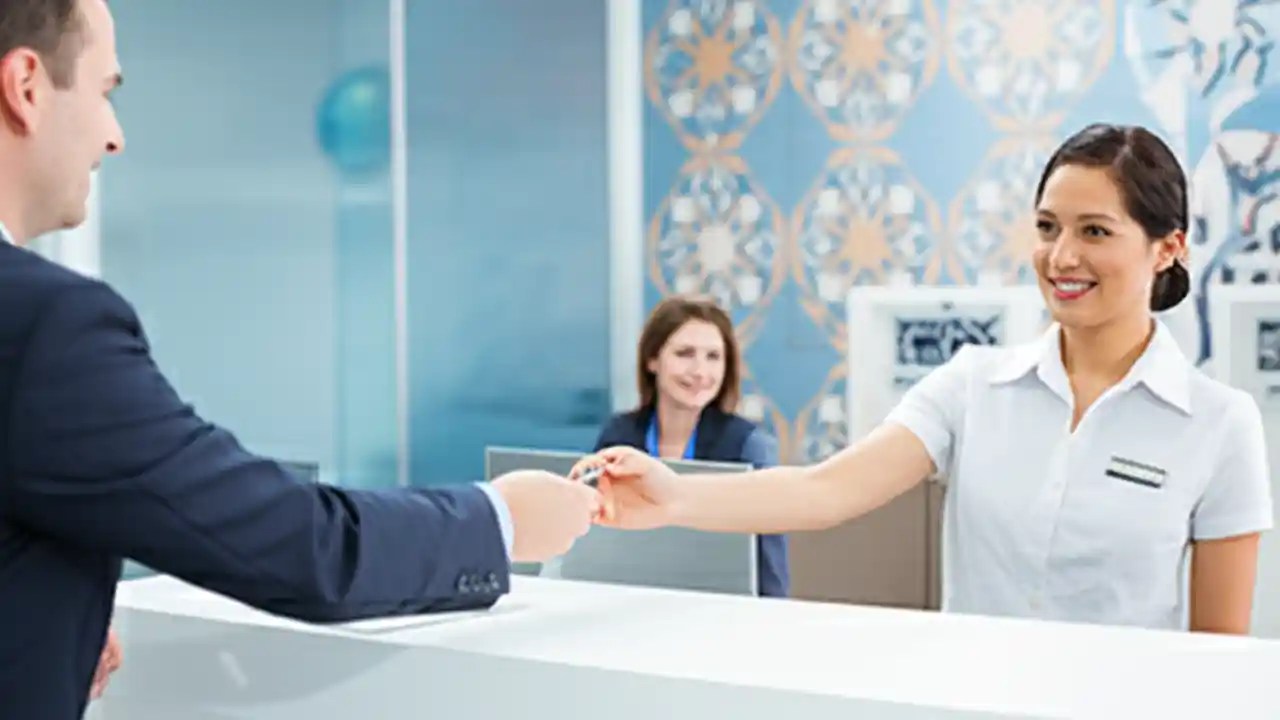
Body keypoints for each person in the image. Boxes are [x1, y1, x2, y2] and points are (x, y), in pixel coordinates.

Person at [0, 2, 601, 718]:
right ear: (28, 86)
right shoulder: (46, 326)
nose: (115, 136)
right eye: (106, 92)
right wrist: (499, 520)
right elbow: (300, 547)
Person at [577, 123, 1274, 635]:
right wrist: (674, 498)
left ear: (1168, 248)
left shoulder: (1218, 423)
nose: (1061, 256)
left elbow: (1216, 654)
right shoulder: (973, 384)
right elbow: (826, 491)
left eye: (1095, 231)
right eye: (1047, 226)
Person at [593, 295, 787, 597]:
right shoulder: (619, 436)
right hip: (630, 604)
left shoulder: (748, 446)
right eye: (685, 353)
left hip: (723, 614)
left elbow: (770, 574)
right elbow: (596, 549)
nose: (700, 371)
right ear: (652, 360)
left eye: (713, 357)